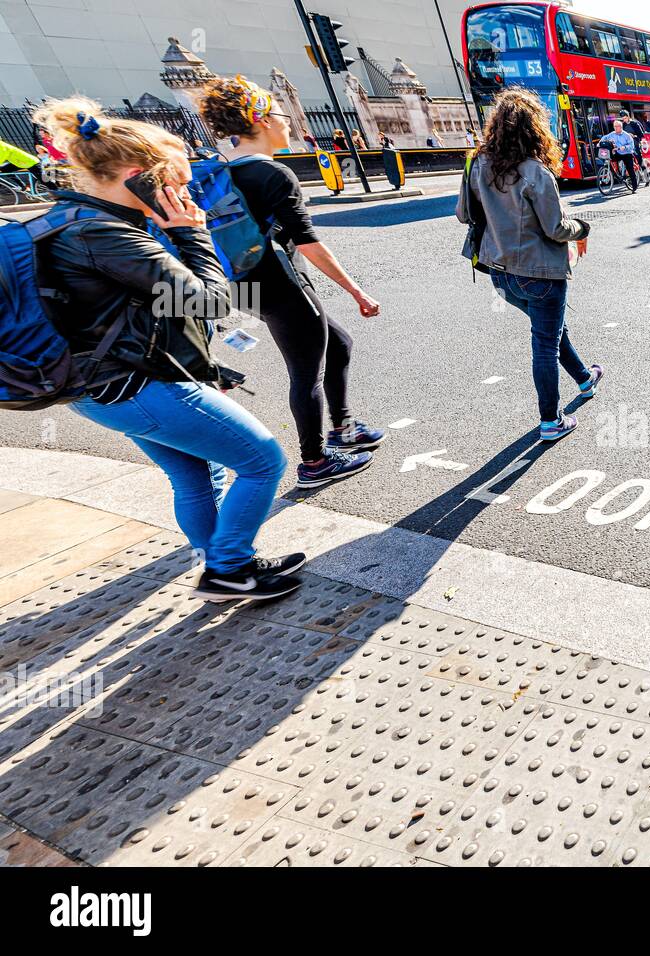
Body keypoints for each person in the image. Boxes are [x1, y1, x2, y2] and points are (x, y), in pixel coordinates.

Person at [32, 96, 301, 601]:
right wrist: (193, 233)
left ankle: (223, 566)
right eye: (173, 181)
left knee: (197, 476)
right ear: (139, 176)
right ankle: (227, 569)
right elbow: (210, 302)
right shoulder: (107, 233)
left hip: (98, 386)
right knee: (263, 461)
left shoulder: (69, 219)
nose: (181, 191)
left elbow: (144, 304)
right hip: (136, 386)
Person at [200, 75, 385, 489]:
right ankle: (315, 462)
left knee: (338, 345)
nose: (288, 123)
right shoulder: (273, 174)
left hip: (245, 285)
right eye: (281, 114)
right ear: (260, 119)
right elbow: (310, 244)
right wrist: (357, 291)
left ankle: (345, 428)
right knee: (306, 373)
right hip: (283, 286)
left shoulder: (219, 175)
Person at [455, 87, 598, 442]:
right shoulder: (536, 172)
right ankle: (550, 420)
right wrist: (583, 227)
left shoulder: (478, 164)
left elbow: (462, 214)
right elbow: (556, 228)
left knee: (549, 330)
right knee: (545, 343)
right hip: (541, 273)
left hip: (500, 273)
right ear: (535, 128)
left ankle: (584, 377)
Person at [597, 119, 640, 193]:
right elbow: (604, 138)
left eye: (617, 126)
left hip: (626, 153)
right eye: (614, 126)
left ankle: (634, 187)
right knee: (610, 158)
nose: (615, 128)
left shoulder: (626, 135)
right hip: (618, 153)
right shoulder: (612, 134)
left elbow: (631, 145)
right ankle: (616, 173)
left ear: (621, 127)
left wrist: (625, 147)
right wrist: (599, 143)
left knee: (630, 169)